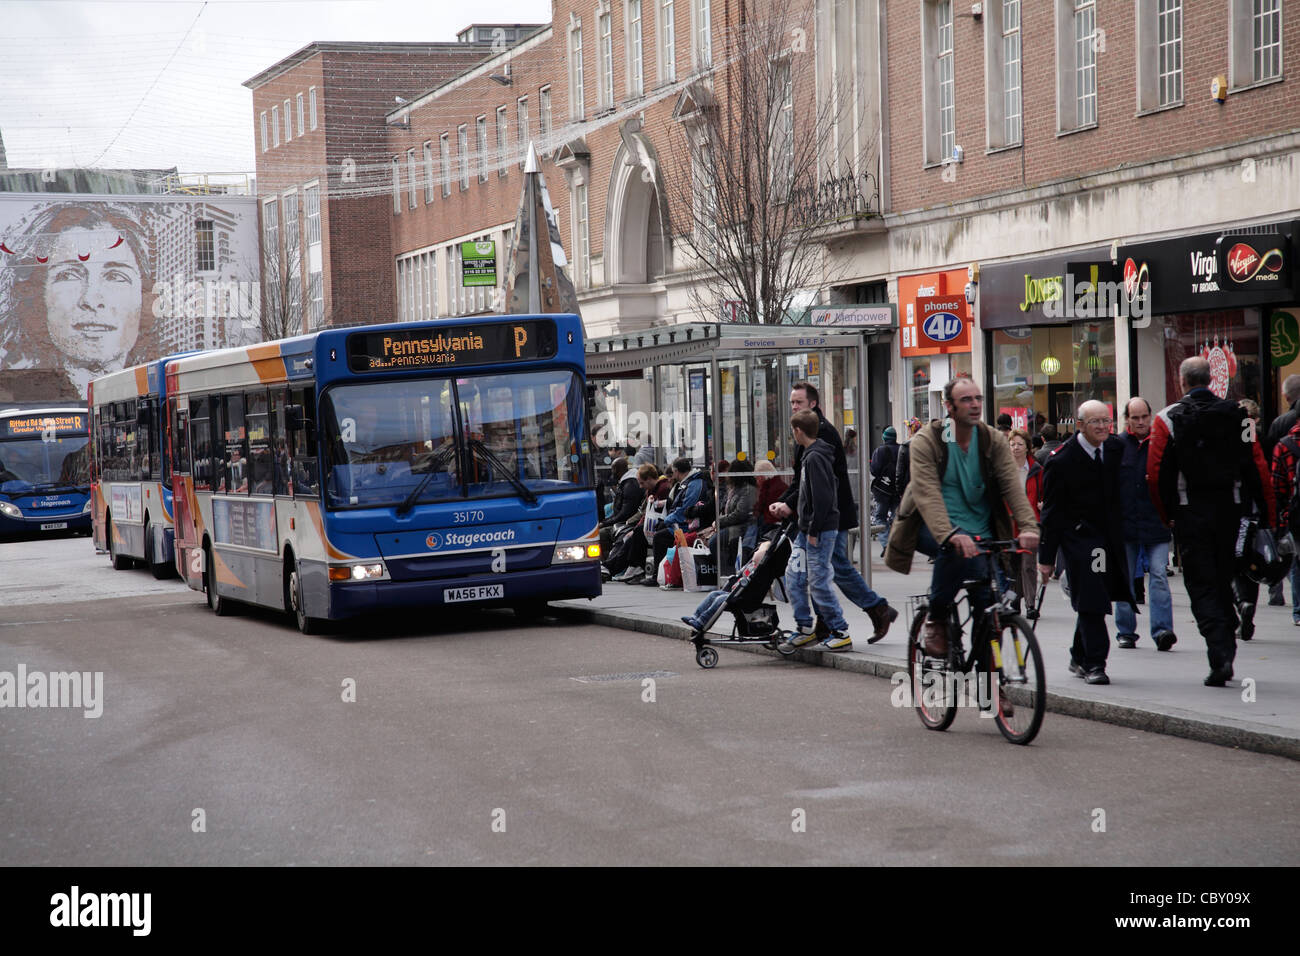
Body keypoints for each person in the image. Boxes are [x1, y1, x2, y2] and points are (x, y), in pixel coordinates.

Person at [884, 379, 1039, 665]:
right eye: (966, 399)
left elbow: (1012, 488)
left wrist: (1029, 526)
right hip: (930, 526)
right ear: (949, 406)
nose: (975, 404)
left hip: (981, 531)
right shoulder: (927, 441)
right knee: (953, 550)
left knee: (989, 611)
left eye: (978, 398)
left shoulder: (992, 440)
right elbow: (926, 493)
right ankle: (937, 618)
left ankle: (991, 684)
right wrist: (951, 533)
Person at [1149, 357, 1275, 687]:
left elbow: (1156, 474)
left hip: (1191, 514)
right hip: (1230, 512)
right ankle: (1226, 632)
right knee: (1222, 577)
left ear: (1182, 381)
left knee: (1201, 585)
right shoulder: (1240, 416)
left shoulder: (1166, 419)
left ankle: (1220, 651)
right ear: (1212, 380)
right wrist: (1267, 515)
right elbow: (1257, 467)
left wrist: (1168, 517)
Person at [769, 382, 898, 643]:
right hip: (817, 515)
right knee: (822, 569)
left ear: (813, 404)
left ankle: (873, 610)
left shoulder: (821, 433)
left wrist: (792, 506)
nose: (794, 406)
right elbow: (799, 480)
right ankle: (830, 622)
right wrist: (785, 501)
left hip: (829, 514)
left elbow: (820, 485)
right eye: (792, 402)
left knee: (831, 568)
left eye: (799, 402)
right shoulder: (803, 431)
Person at [1, 202, 161, 398]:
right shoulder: (13, 395)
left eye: (116, 276)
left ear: (144, 296)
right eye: (69, 275)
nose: (91, 299)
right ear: (37, 295)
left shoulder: (160, 392)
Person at [1034, 401, 1132, 685]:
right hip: (1080, 540)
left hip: (1108, 538)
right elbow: (1051, 513)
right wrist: (1046, 557)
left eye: (1106, 421)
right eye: (1095, 422)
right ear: (1079, 425)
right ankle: (1094, 663)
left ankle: (1079, 655)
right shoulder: (1062, 460)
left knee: (1095, 595)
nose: (1102, 427)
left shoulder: (1115, 449)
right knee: (1093, 597)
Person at [779, 410, 852, 651]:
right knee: (795, 577)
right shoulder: (812, 455)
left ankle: (840, 631)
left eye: (793, 431)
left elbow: (823, 497)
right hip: (808, 528)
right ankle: (805, 627)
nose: (793, 435)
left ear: (799, 431)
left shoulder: (814, 458)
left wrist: (813, 529)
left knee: (819, 581)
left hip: (817, 530)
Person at [1110, 398, 1176, 651]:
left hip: (1156, 522)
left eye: (1144, 417)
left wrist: (1171, 514)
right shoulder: (1116, 446)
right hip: (1125, 525)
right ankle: (1126, 631)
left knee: (1159, 575)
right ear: (1126, 419)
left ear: (1150, 416)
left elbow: (1170, 481)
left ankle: (1162, 631)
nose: (1140, 422)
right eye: (1135, 417)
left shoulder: (1161, 443)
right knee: (1125, 578)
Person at [642, 456, 710, 587]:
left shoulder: (694, 484)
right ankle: (663, 572)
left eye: (674, 472)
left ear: (678, 471)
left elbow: (685, 509)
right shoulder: (690, 482)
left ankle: (658, 575)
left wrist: (666, 520)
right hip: (683, 522)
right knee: (659, 533)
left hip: (687, 525)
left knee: (659, 537)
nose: (673, 476)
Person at [1006, 427, 1043, 608]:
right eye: (1012, 444)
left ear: (1027, 447)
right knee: (1013, 566)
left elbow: (1044, 493)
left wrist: (1042, 504)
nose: (1015, 448)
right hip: (1010, 523)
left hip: (1030, 523)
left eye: (1019, 444)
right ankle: (1015, 601)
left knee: (1028, 566)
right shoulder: (1004, 470)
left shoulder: (1036, 470)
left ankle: (1030, 604)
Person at [1269, 412, 1300, 625]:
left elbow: (1276, 486)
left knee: (1296, 561)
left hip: (1295, 513)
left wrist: (1279, 515)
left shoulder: (1284, 444)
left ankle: (1298, 610)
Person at [869, 425, 901, 548]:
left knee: (880, 516)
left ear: (884, 437)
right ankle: (895, 542)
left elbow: (874, 470)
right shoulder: (901, 449)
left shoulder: (880, 451)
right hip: (897, 490)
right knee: (896, 516)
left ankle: (885, 543)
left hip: (882, 491)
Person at [893, 417, 924, 503]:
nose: (908, 431)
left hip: (909, 490)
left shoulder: (905, 447)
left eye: (908, 428)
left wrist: (900, 491)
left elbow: (899, 473)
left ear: (911, 430)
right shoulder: (927, 444)